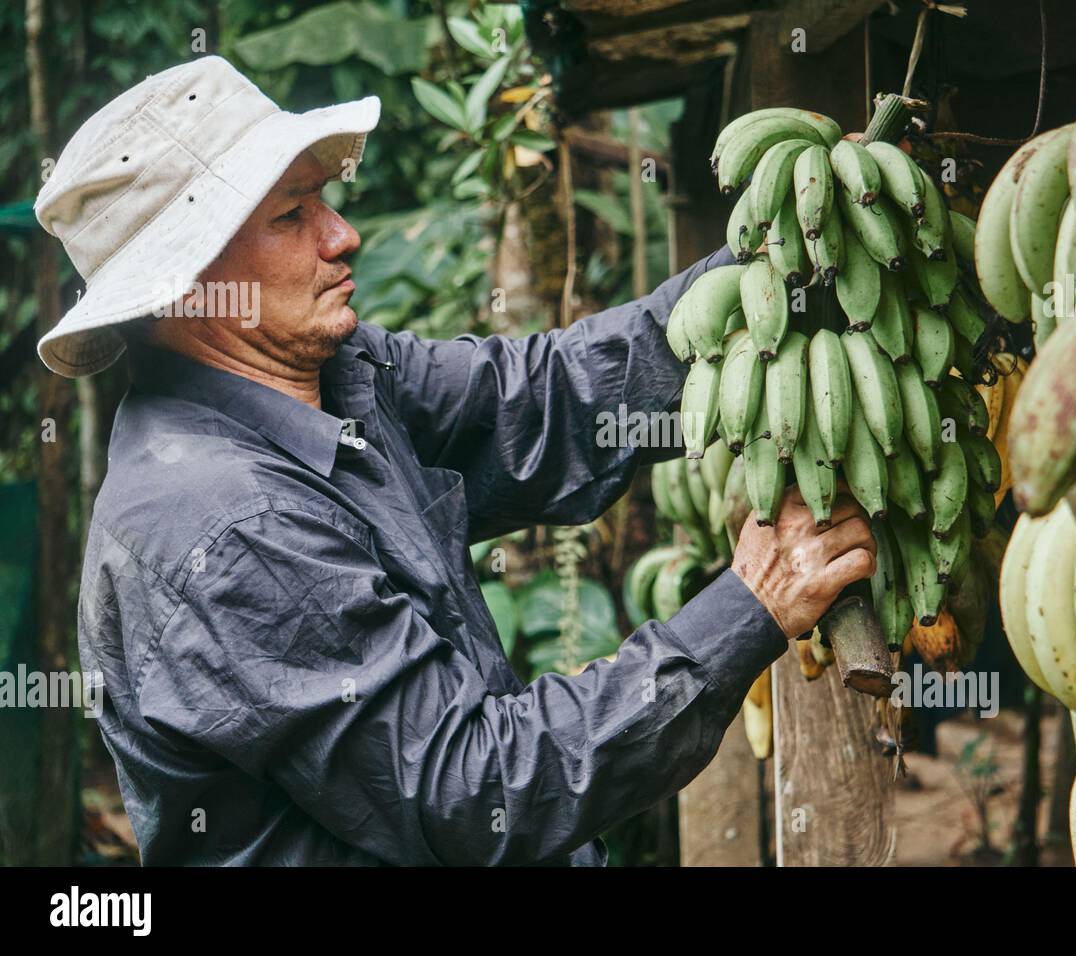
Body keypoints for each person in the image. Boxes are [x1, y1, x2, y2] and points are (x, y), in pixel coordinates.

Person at [35, 56, 876, 865]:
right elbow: (475, 790)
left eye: (323, 199)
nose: (342, 234)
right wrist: (749, 606)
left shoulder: (340, 374)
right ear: (184, 288)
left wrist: (765, 279)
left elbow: (543, 401)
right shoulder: (224, 527)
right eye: (292, 217)